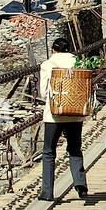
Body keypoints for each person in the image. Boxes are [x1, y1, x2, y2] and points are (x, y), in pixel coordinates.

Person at [38, 36, 88, 201]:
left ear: (54, 50)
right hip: (75, 114)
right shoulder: (78, 62)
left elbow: (44, 92)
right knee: (74, 149)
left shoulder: (48, 65)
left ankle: (47, 192)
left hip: (54, 115)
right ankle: (80, 184)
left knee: (49, 151)